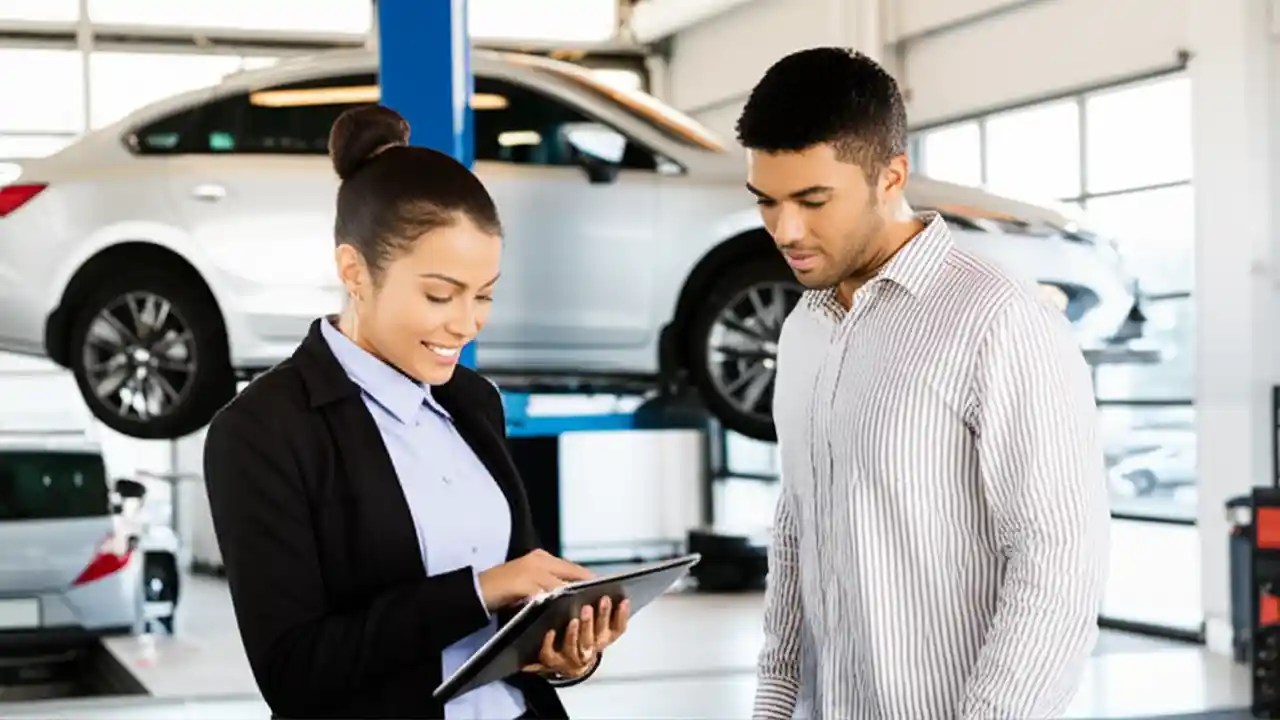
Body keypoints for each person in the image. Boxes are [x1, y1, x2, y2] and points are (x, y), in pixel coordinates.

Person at [202, 105, 629, 720]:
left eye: (484, 294)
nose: (466, 323)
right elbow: (294, 673)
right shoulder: (264, 430)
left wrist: (565, 652)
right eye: (439, 294)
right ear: (354, 271)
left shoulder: (473, 401)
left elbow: (519, 607)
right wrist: (480, 591)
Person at [737, 48, 1110, 719]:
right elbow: (797, 528)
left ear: (891, 176)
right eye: (767, 201)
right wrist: (773, 705)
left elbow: (1057, 566)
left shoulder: (999, 321)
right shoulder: (803, 331)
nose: (785, 230)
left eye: (813, 200)